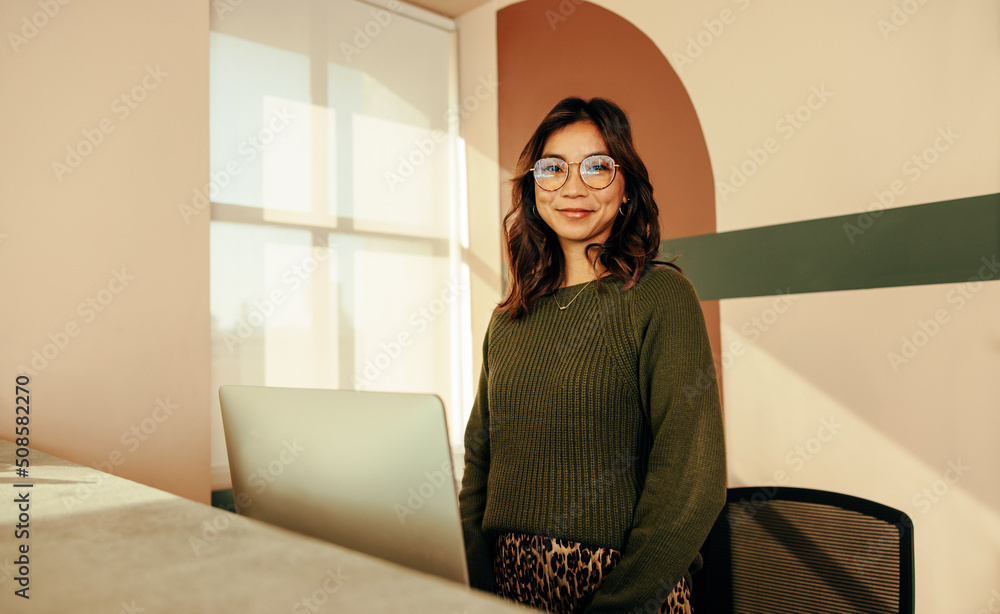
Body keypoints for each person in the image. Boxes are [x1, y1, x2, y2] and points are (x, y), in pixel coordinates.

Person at [457, 97, 726, 614]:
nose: (573, 187)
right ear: (534, 188)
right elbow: (478, 466)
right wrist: (472, 582)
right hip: (504, 589)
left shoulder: (661, 297)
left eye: (598, 167)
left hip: (626, 593)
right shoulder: (507, 319)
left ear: (625, 189)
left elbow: (692, 482)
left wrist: (615, 606)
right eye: (553, 169)